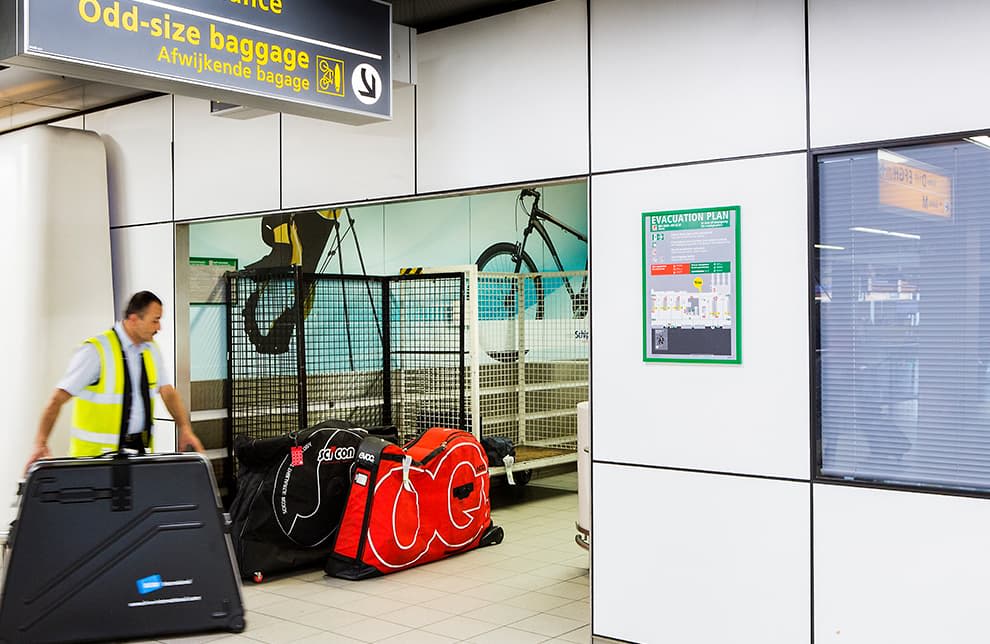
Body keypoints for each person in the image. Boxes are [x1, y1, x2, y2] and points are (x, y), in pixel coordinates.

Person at [26, 291, 204, 470]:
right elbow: (57, 399)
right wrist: (40, 443)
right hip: (95, 462)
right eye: (155, 320)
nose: (159, 327)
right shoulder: (95, 351)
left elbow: (167, 392)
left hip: (137, 456)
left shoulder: (150, 349)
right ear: (134, 319)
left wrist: (184, 427)